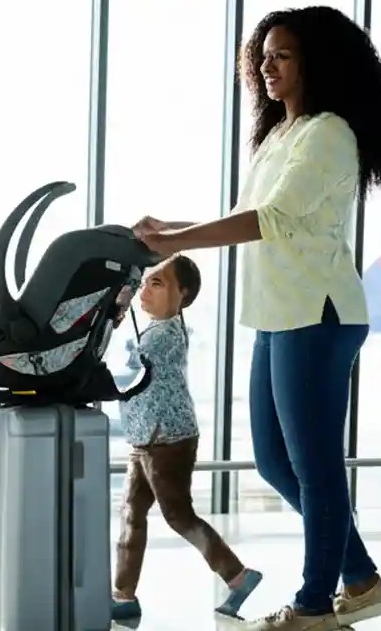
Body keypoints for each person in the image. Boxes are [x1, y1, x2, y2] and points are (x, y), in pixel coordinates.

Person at [132, 5, 381, 631]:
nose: (266, 65)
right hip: (277, 316)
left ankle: (314, 606)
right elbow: (244, 211)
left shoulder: (330, 133)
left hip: (318, 315)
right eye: (264, 55)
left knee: (315, 466)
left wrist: (177, 244)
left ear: (313, 62)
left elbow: (270, 221)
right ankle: (360, 581)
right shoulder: (280, 136)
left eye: (281, 55)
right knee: (278, 465)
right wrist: (168, 227)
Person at [110, 255, 262, 621]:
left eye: (158, 283)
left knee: (178, 515)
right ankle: (123, 594)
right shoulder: (152, 330)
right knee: (132, 514)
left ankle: (237, 576)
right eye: (147, 281)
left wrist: (117, 311)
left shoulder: (166, 335)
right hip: (146, 439)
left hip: (168, 441)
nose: (147, 289)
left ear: (184, 296)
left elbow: (130, 366)